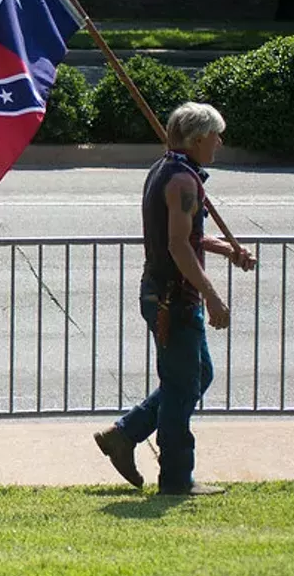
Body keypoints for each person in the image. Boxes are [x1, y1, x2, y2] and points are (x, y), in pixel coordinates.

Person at [94, 101, 255, 496]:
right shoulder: (182, 182)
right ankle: (176, 480)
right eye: (216, 136)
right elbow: (180, 246)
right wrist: (213, 297)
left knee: (196, 376)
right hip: (173, 301)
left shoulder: (168, 170)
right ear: (199, 138)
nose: (219, 143)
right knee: (182, 388)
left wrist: (229, 250)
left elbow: (192, 237)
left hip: (165, 294)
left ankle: (124, 433)